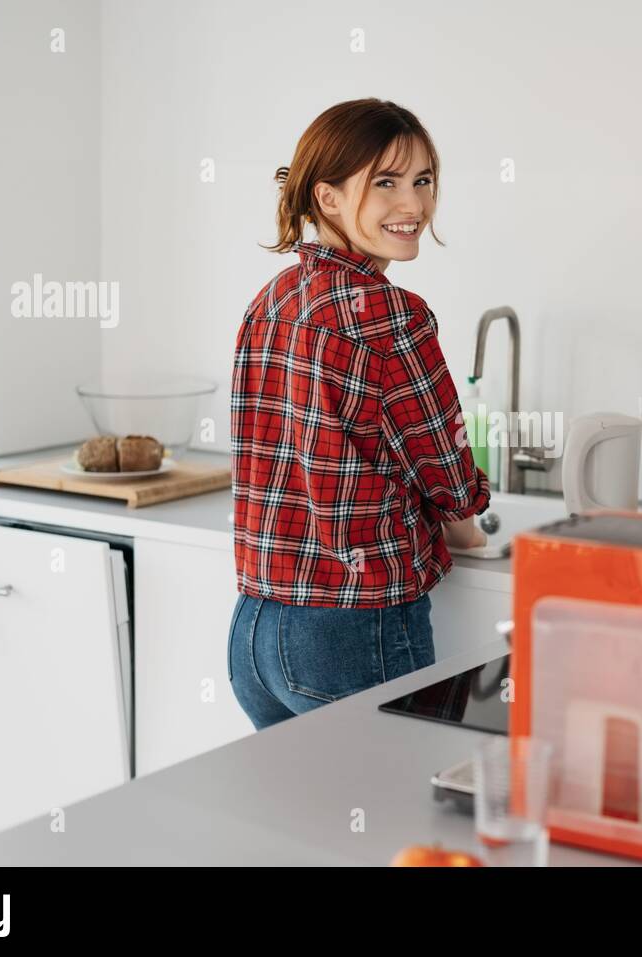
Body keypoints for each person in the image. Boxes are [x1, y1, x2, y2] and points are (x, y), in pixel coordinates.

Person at [228, 98, 489, 730]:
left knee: (302, 824)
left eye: (423, 180)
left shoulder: (275, 297)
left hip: (256, 631)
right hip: (352, 630)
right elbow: (445, 471)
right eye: (386, 182)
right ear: (329, 197)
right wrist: (465, 523)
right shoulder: (390, 314)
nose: (415, 205)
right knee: (392, 821)